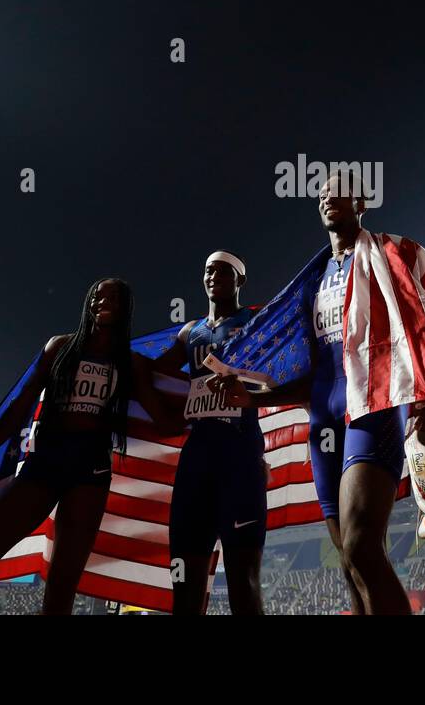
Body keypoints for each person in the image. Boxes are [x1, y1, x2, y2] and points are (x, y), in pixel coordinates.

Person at [210, 172, 425, 615]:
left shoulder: (391, 254)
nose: (330, 196)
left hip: (373, 405)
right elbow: (311, 374)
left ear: (362, 203)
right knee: (349, 564)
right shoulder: (312, 280)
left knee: (360, 549)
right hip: (323, 417)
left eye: (341, 190)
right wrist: (252, 396)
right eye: (323, 193)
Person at [0, 277, 180, 614]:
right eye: (97, 297)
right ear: (88, 304)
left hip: (90, 473)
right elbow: (18, 409)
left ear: (125, 309)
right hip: (43, 467)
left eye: (114, 298)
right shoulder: (60, 348)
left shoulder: (131, 363)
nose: (103, 302)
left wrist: (221, 406)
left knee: (61, 590)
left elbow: (163, 422)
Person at [153, 251, 265, 615]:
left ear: (240, 280)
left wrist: (249, 386)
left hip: (240, 457)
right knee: (184, 584)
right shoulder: (190, 332)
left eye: (222, 270)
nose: (213, 276)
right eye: (207, 271)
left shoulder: (255, 320)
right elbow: (151, 373)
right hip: (197, 457)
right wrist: (162, 417)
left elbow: (283, 369)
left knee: (243, 583)